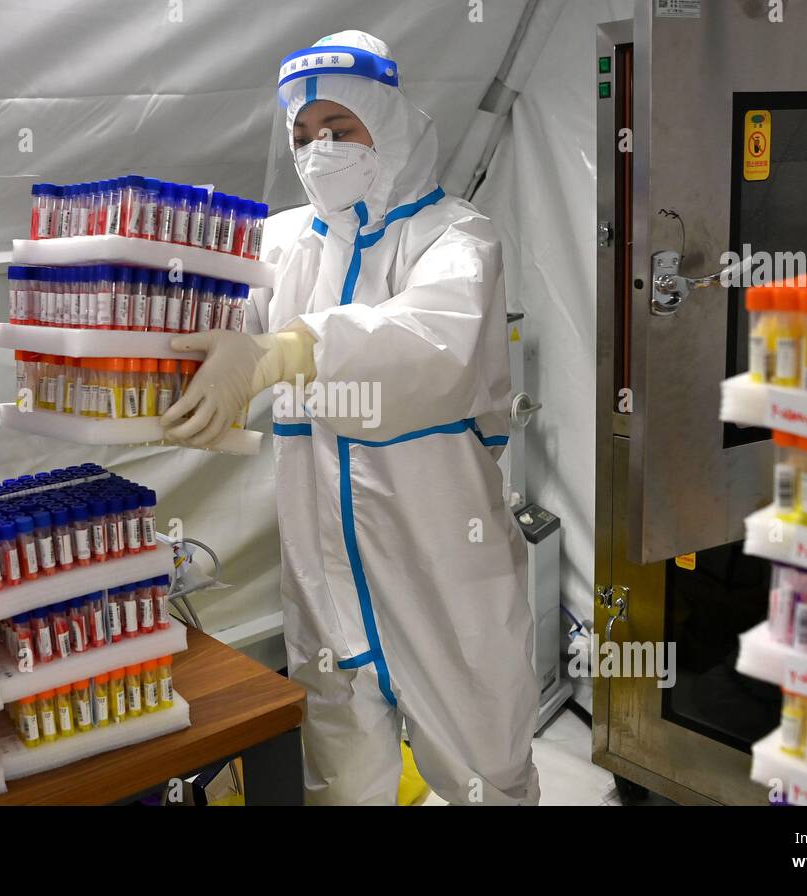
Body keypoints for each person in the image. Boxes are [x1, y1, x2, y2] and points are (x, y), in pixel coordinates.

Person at [160, 30, 539, 806]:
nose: (319, 150)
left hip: (439, 555)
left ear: (388, 125)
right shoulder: (286, 242)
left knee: (480, 768)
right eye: (303, 135)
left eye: (340, 129)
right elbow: (225, 313)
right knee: (338, 768)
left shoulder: (456, 236)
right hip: (322, 563)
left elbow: (430, 343)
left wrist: (284, 352)